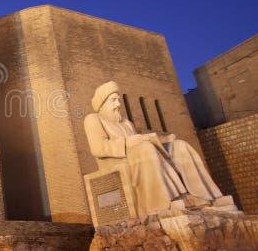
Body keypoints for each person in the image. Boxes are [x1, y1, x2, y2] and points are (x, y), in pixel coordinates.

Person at [83, 81, 224, 217]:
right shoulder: (93, 119)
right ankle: (163, 202)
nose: (118, 104)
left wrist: (162, 141)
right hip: (115, 163)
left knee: (180, 147)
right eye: (113, 100)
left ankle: (203, 195)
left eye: (118, 100)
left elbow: (139, 141)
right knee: (145, 149)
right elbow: (98, 148)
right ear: (103, 103)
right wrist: (129, 142)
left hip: (135, 157)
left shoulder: (127, 124)